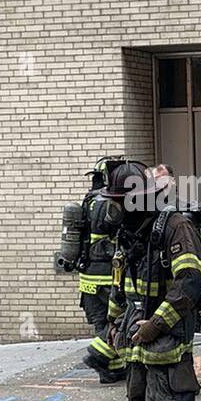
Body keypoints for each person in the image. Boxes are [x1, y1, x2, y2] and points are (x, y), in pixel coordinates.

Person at [103, 162, 201, 401]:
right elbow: (122, 282)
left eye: (120, 201)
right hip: (136, 337)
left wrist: (155, 325)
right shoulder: (130, 232)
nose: (114, 210)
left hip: (167, 339)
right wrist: (115, 321)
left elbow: (189, 282)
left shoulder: (175, 226)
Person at [79, 158, 127, 384]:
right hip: (107, 274)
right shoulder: (108, 202)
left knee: (101, 323)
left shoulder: (87, 201)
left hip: (87, 276)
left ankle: (112, 371)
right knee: (118, 320)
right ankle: (97, 355)